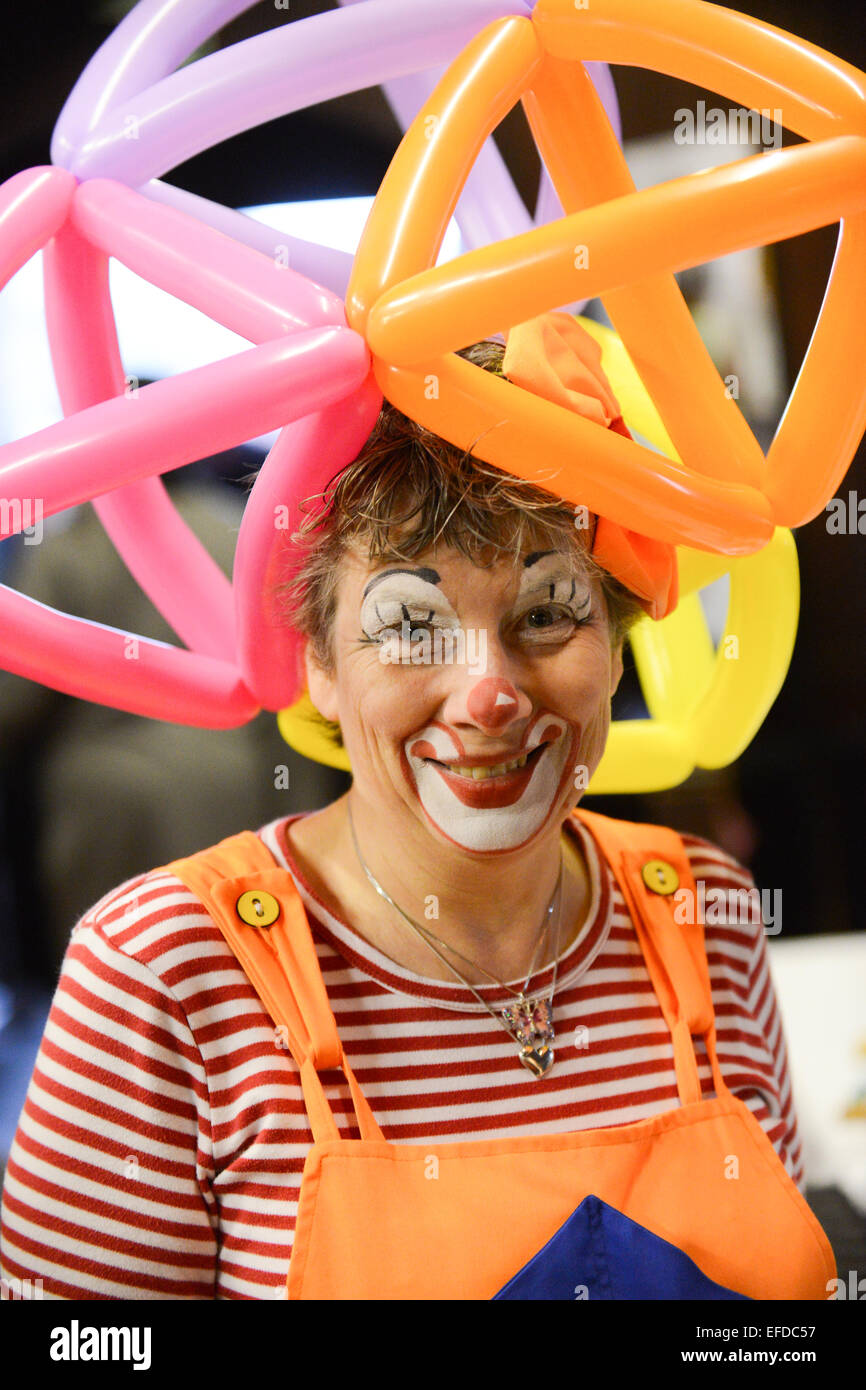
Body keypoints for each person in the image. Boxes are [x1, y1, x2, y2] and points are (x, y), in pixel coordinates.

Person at [0, 315, 835, 1300]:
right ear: (316, 659)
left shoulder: (707, 909)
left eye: (545, 612)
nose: (487, 692)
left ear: (616, 646)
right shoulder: (160, 969)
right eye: (409, 623)